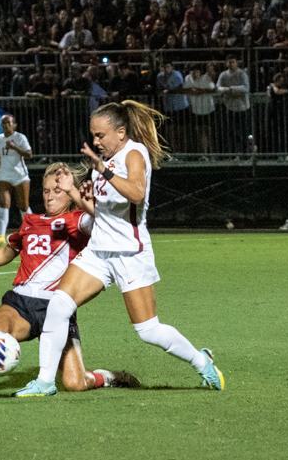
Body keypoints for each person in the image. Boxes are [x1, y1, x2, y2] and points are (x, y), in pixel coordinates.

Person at [14, 101, 223, 397]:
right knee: (58, 306)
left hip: (130, 254)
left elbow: (137, 193)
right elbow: (102, 213)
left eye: (101, 136)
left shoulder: (133, 154)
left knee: (148, 330)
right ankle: (45, 382)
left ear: (121, 132)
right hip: (99, 251)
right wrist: (76, 193)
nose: (96, 141)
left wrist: (103, 171)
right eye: (93, 135)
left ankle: (202, 361)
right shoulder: (104, 164)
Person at [0, 163, 140, 396]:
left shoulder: (79, 220)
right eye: (46, 191)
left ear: (69, 193)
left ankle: (108, 377)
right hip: (21, 301)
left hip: (58, 306)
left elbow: (106, 219)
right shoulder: (30, 221)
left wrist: (83, 195)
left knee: (74, 383)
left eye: (57, 190)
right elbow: (7, 251)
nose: (50, 196)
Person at [0, 114, 33, 244]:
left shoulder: (20, 137)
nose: (5, 125)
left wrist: (15, 147)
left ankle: (33, 231)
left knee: (23, 205)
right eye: (3, 123)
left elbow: (29, 155)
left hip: (20, 175)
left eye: (8, 123)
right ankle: (1, 236)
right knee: (3, 203)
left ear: (14, 125)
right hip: (4, 174)